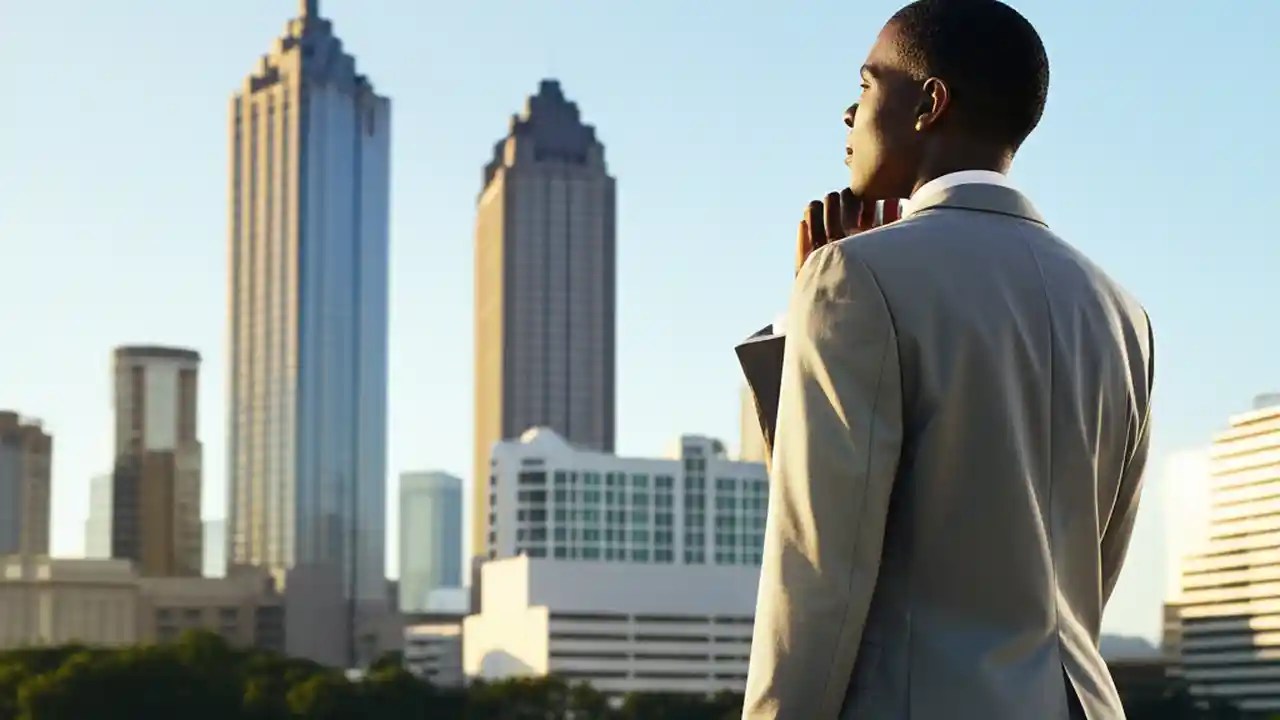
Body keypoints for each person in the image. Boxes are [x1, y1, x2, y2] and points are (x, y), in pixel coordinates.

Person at [736, 1, 1155, 718]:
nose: (849, 114)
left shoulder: (858, 280)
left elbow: (814, 568)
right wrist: (806, 328)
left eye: (866, 87)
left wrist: (819, 297)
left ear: (930, 103)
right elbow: (1089, 572)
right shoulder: (1122, 311)